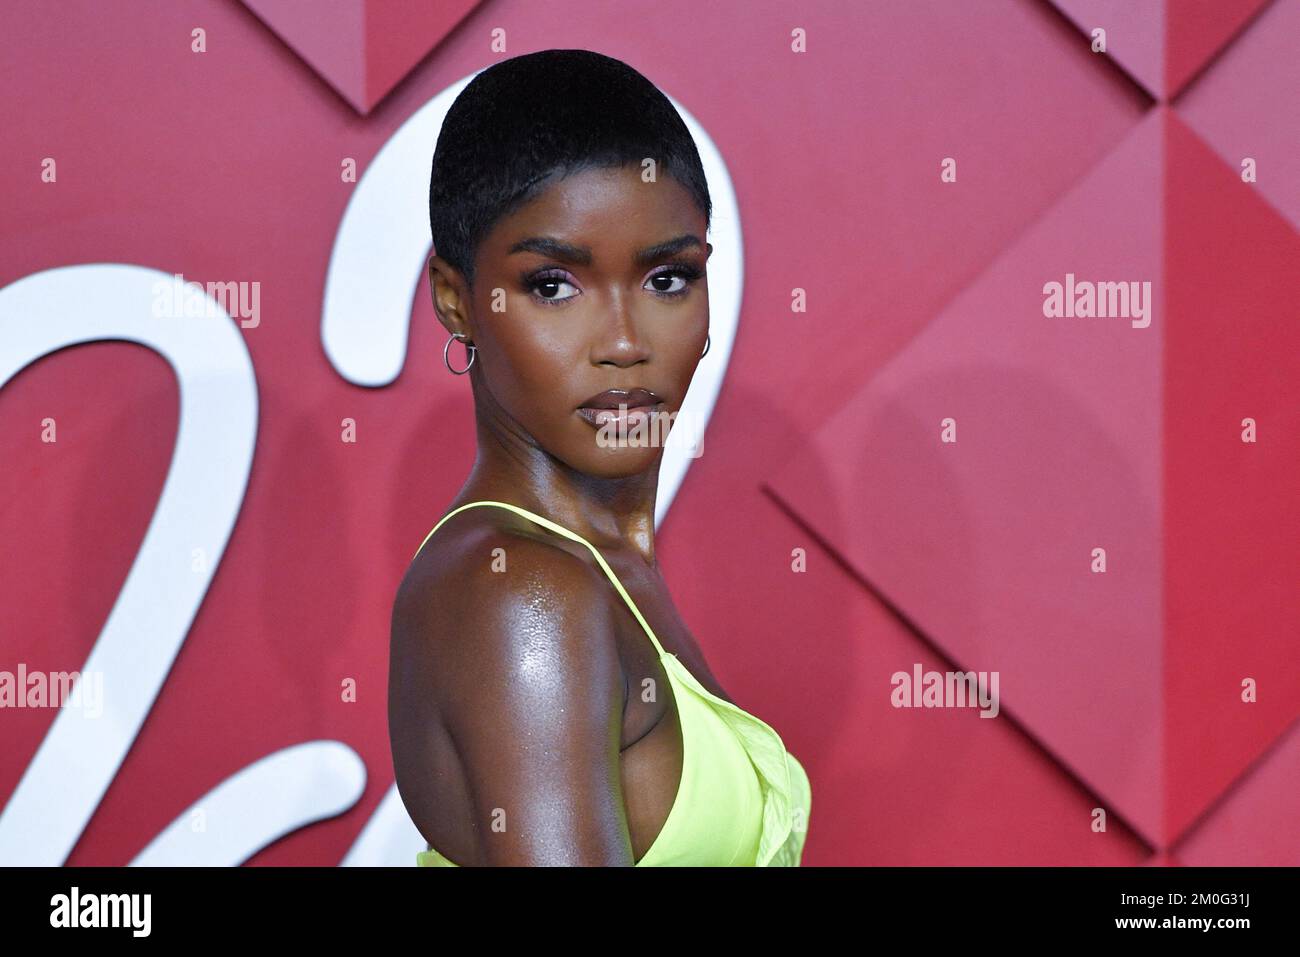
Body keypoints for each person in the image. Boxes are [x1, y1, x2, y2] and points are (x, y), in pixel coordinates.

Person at [388, 48, 810, 866]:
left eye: (667, 278)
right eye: (553, 283)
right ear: (455, 299)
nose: (623, 343)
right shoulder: (522, 594)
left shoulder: (598, 567)